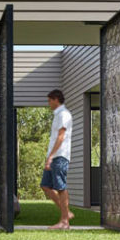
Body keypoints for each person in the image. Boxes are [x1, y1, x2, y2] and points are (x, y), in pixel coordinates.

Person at [41, 88, 73, 231]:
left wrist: (52, 156)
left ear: (56, 99)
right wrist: (49, 157)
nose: (49, 104)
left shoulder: (64, 114)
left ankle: (64, 222)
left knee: (60, 187)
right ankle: (66, 213)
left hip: (60, 156)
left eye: (50, 101)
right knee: (45, 185)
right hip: (53, 156)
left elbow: (61, 137)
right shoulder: (57, 115)